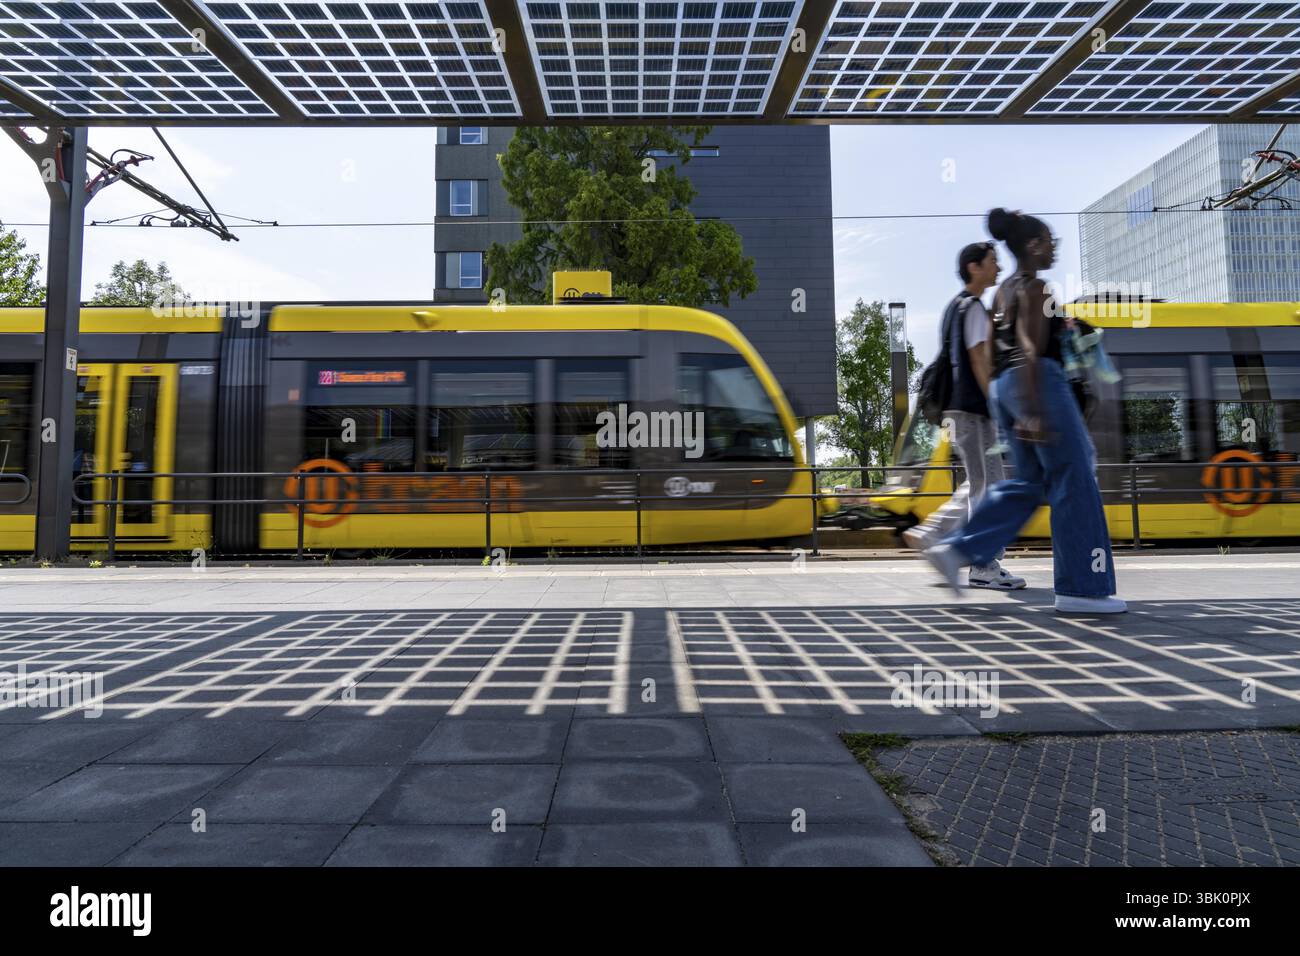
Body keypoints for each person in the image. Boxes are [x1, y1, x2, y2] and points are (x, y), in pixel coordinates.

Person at [923, 209, 1125, 614]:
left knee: (1030, 483)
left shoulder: (1002, 292)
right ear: (1033, 245)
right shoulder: (1038, 288)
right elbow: (1030, 347)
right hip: (1038, 382)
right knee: (1076, 473)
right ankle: (1083, 590)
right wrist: (1034, 408)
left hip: (1004, 387)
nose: (1054, 248)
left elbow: (1008, 345)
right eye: (1051, 241)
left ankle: (959, 548)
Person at [904, 241, 1026, 590]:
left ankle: (936, 537)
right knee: (989, 487)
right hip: (973, 410)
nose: (998, 268)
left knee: (979, 482)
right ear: (974, 267)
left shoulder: (952, 308)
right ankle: (983, 565)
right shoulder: (973, 308)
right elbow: (978, 359)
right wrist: (996, 403)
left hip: (955, 410)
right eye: (992, 262)